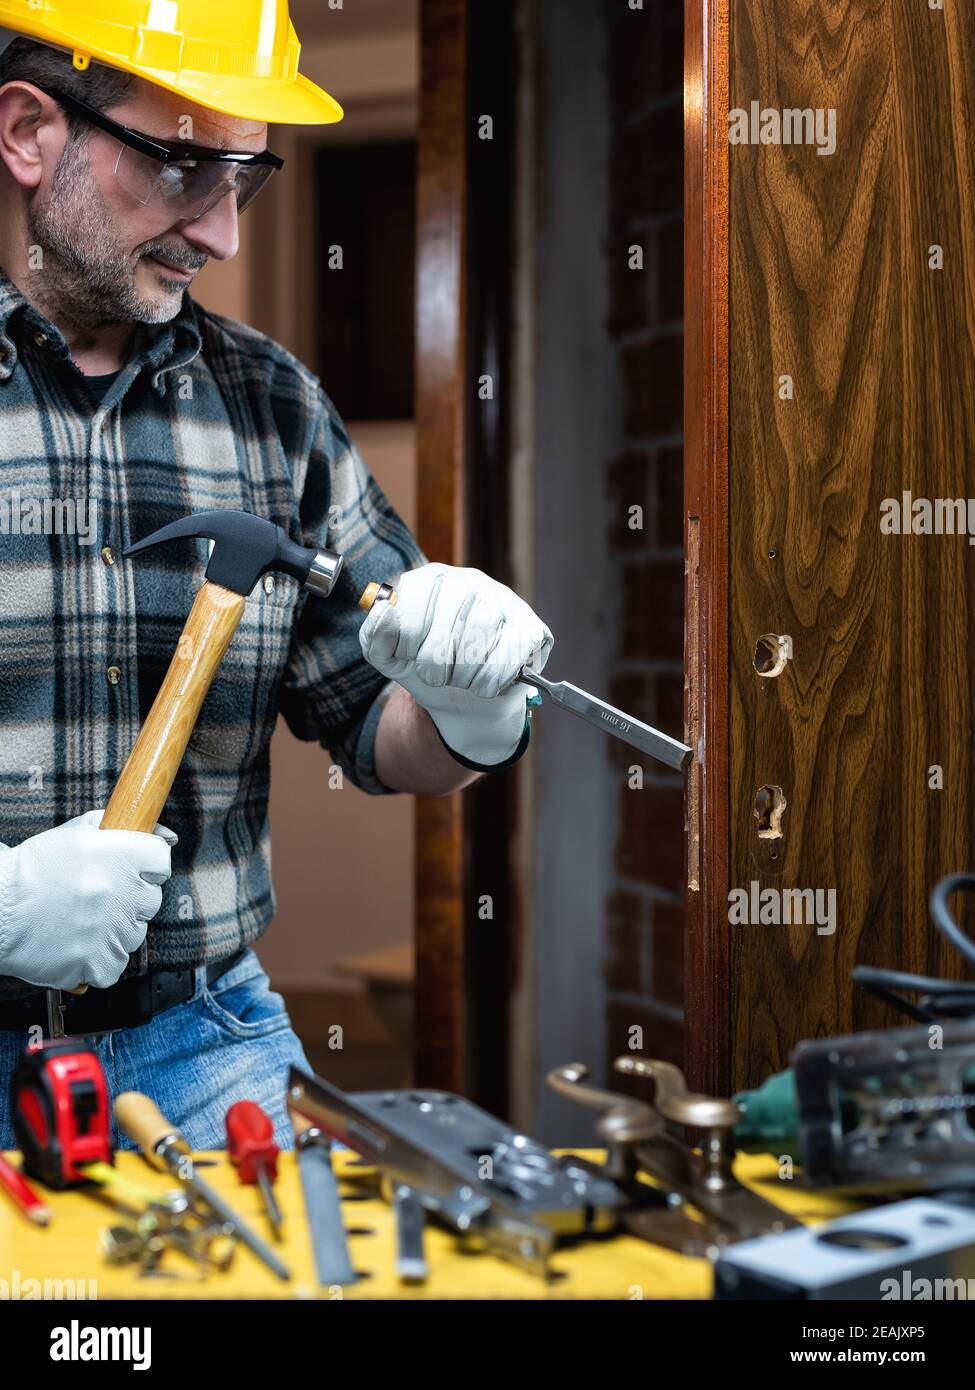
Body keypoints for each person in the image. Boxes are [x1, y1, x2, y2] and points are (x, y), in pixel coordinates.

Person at [0, 2, 552, 1148]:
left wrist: (467, 707)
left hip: (203, 1037)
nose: (223, 235)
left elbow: (381, 730)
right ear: (28, 130)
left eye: (246, 179)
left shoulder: (276, 407)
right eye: (189, 165)